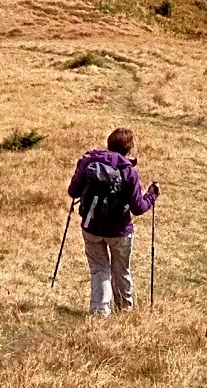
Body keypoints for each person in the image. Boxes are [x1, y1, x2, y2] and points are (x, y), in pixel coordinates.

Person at [66, 128, 158, 316]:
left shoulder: (90, 161)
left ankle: (100, 312)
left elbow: (73, 192)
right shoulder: (128, 171)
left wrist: (79, 168)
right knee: (121, 270)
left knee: (99, 269)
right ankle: (125, 311)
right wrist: (152, 195)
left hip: (91, 227)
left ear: (108, 144)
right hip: (119, 231)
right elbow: (138, 208)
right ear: (129, 149)